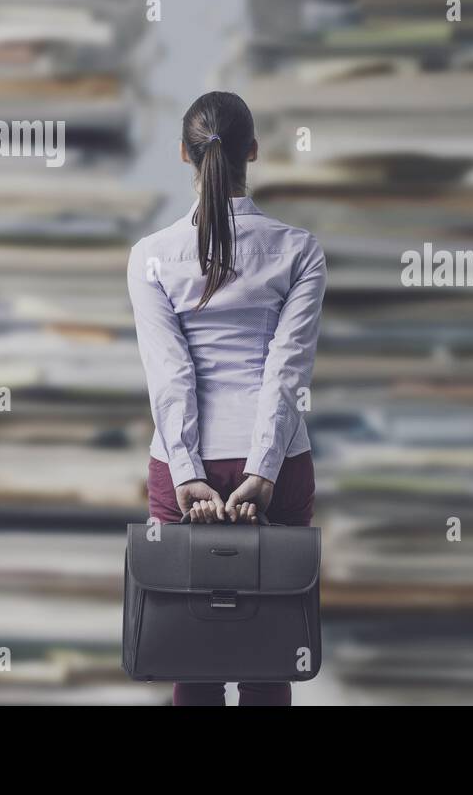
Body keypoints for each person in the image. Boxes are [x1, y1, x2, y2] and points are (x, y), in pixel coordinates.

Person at [126, 91, 326, 706]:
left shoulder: (151, 257)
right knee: (271, 650)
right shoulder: (300, 250)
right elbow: (285, 373)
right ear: (254, 153)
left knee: (194, 645)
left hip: (186, 467)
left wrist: (186, 473)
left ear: (184, 154)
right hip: (277, 466)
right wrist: (263, 471)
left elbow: (171, 375)